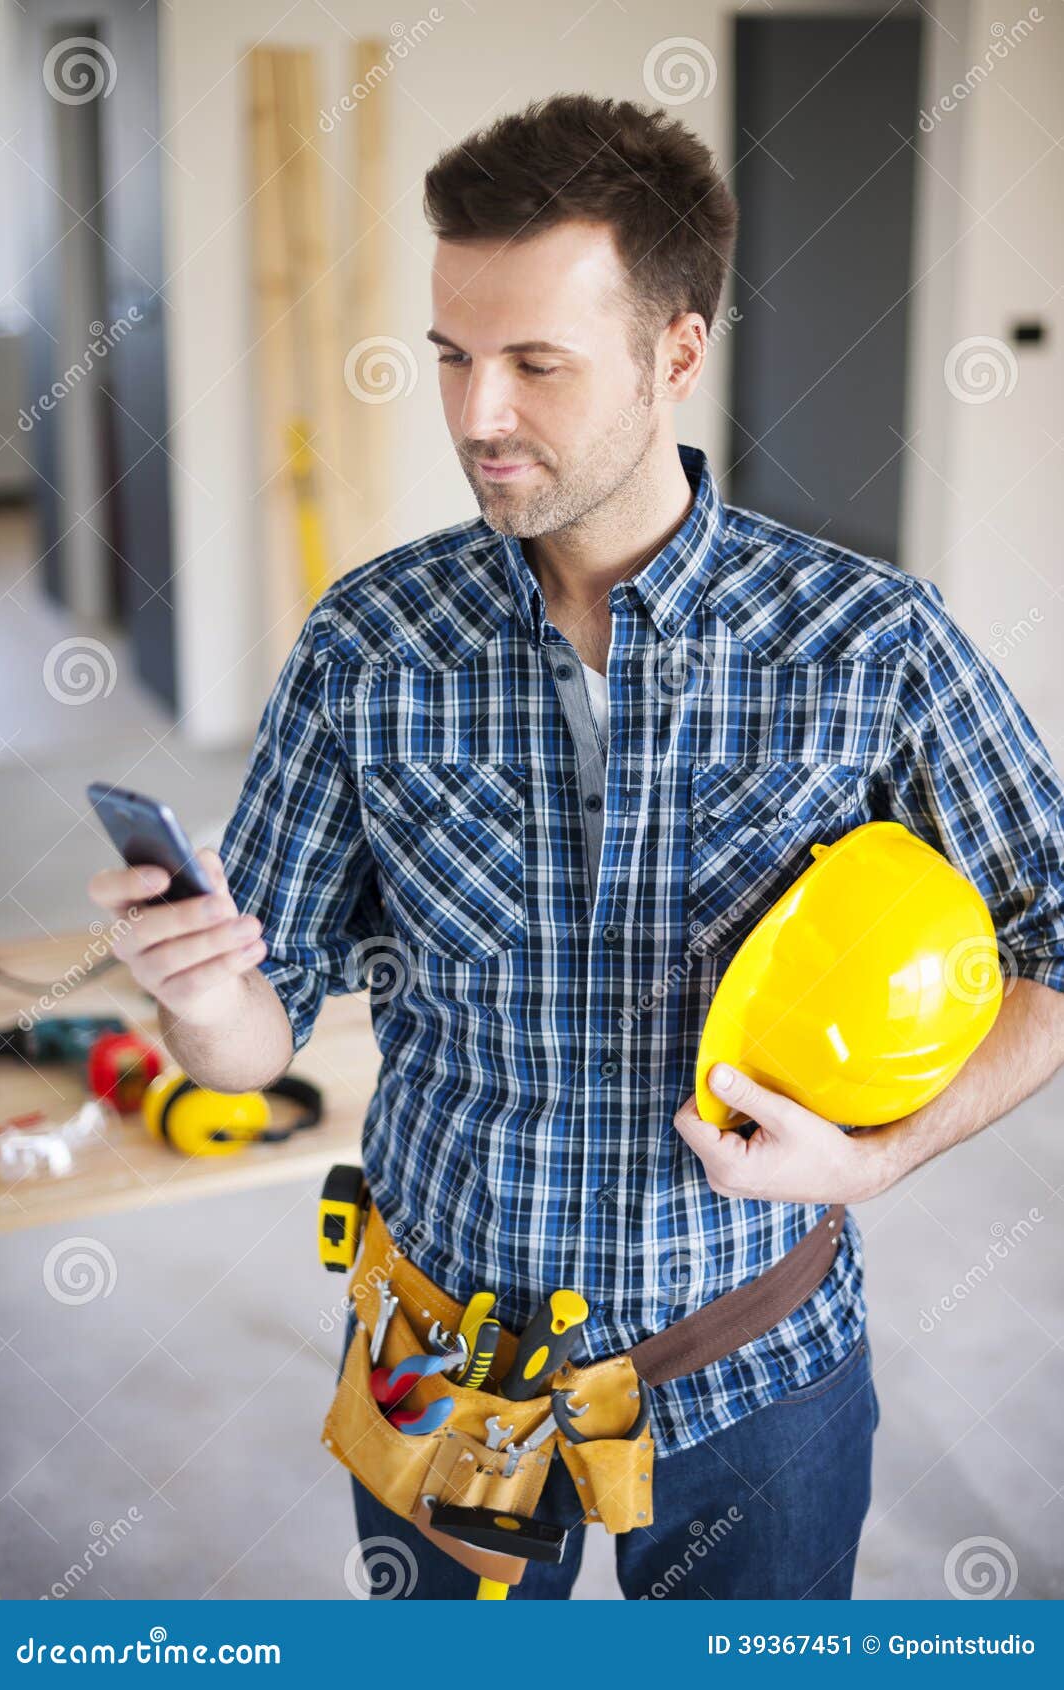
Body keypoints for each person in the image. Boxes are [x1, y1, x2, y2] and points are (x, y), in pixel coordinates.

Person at [88, 93, 1064, 1600]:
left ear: (678, 351)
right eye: (453, 357)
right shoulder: (370, 643)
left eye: (538, 363)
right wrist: (200, 986)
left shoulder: (875, 645)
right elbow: (243, 1044)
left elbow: (1053, 932)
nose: (478, 414)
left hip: (756, 1370)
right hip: (441, 1375)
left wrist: (883, 1154)